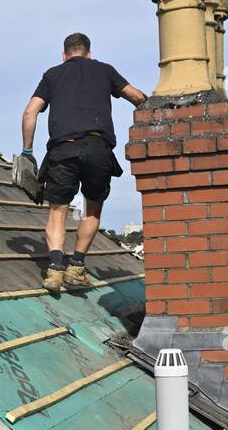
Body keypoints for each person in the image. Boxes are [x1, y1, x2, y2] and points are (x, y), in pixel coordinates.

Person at [21, 32, 147, 293]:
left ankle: (55, 270)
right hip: (97, 148)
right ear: (89, 53)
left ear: (64, 55)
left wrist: (27, 151)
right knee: (92, 208)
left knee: (58, 209)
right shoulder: (104, 70)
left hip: (62, 149)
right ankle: (76, 267)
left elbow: (30, 111)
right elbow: (137, 97)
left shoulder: (52, 75)